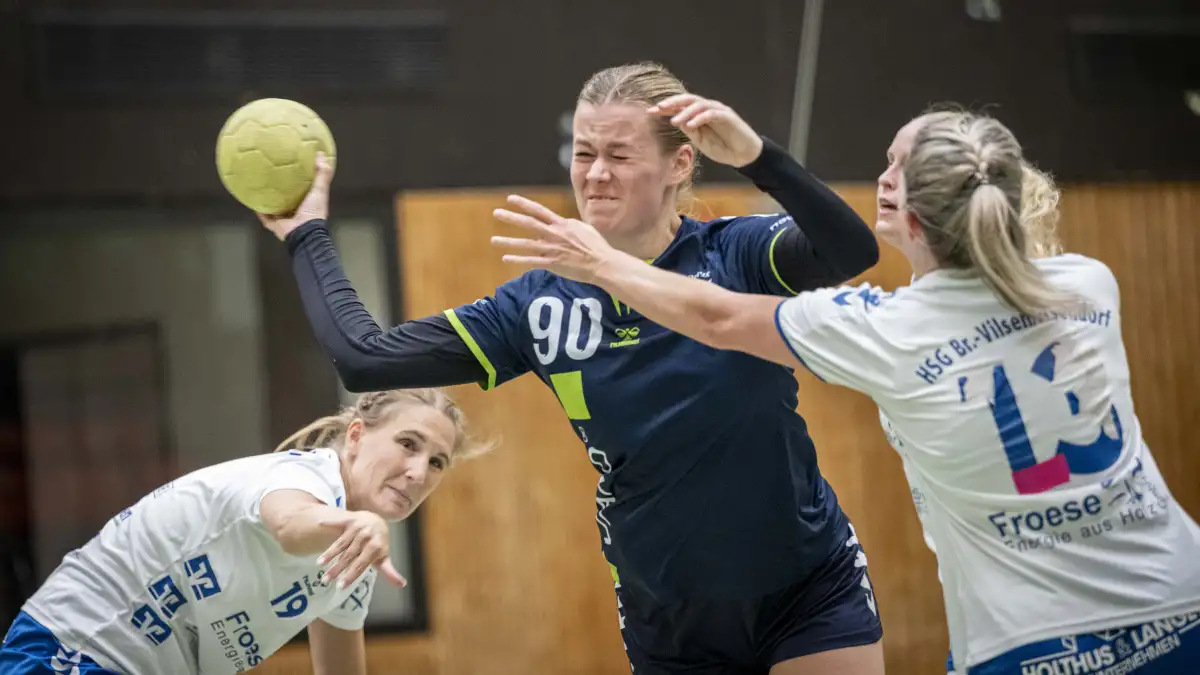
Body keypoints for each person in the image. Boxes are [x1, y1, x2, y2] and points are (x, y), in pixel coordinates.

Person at [490, 109, 1200, 674]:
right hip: (1180, 598)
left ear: (909, 218)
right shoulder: (1087, 283)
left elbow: (714, 314)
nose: (881, 174)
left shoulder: (885, 329)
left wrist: (600, 262)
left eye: (893, 164)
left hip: (1031, 640)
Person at [262, 62, 886, 674]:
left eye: (620, 154)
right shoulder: (537, 305)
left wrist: (756, 156)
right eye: (585, 153)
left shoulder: (736, 252)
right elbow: (365, 359)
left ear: (681, 163)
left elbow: (851, 249)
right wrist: (308, 235)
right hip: (670, 614)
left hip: (806, 581)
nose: (597, 175)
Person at [0, 388, 487, 674]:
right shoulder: (303, 479)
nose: (419, 472)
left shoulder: (352, 559)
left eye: (437, 462)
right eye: (408, 443)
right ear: (356, 436)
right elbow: (291, 525)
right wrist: (358, 525)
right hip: (71, 647)